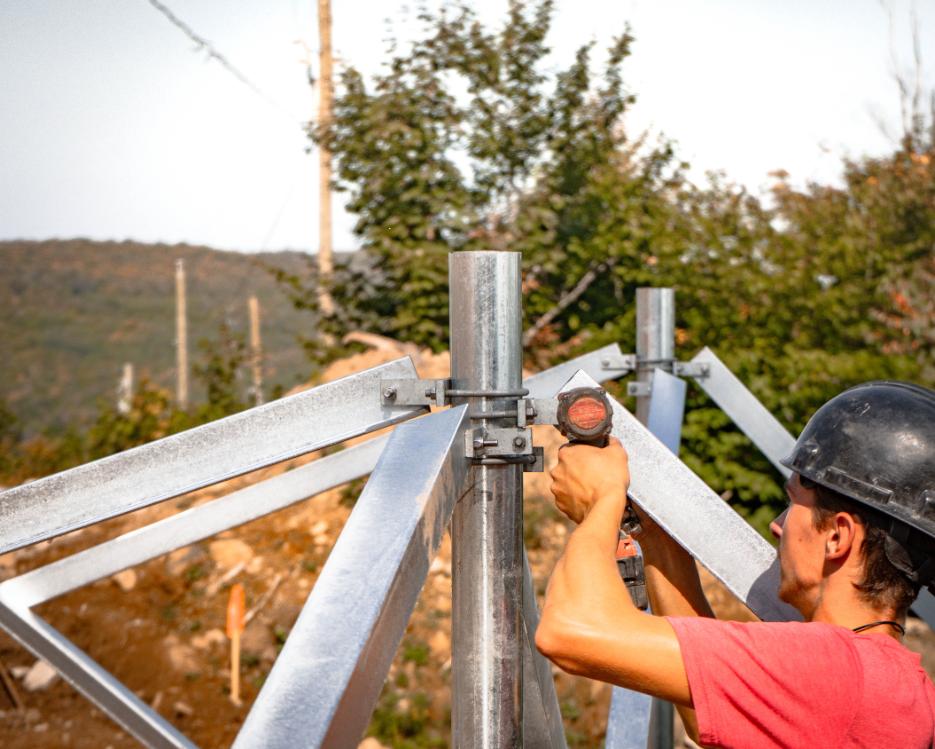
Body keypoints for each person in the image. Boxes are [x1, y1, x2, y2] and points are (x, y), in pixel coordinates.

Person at [536, 381, 935, 747]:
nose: (777, 526)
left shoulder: (835, 671)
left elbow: (571, 630)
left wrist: (601, 500)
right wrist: (655, 537)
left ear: (837, 536)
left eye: (792, 503)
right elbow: (707, 713)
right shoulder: (891, 686)